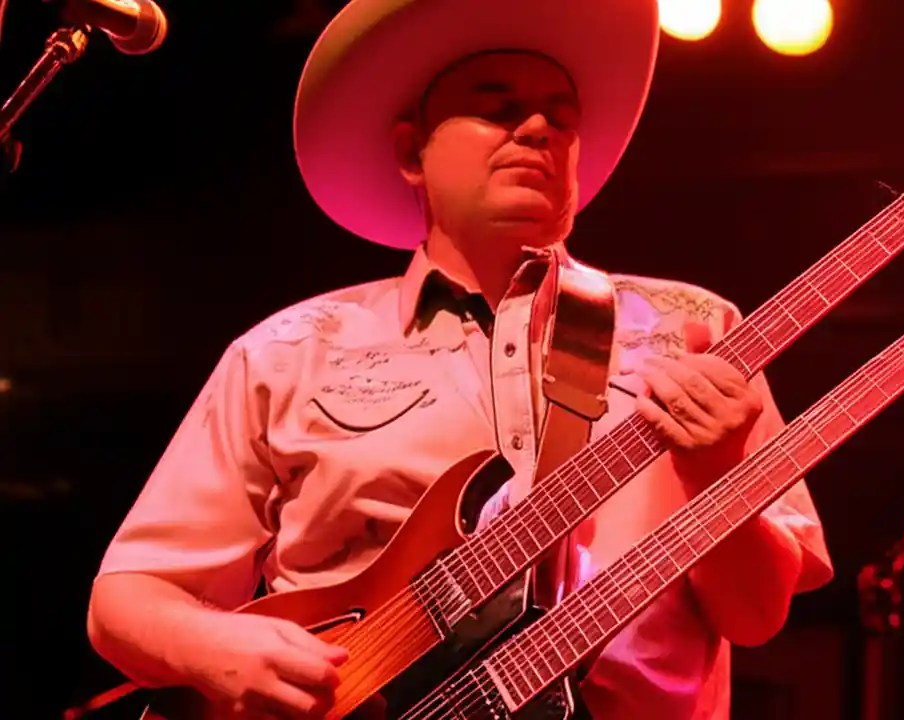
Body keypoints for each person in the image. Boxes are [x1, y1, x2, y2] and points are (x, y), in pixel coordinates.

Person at [85, 0, 833, 718]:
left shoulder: (697, 329)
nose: (539, 127)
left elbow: (756, 615)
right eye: (498, 106)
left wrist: (720, 469)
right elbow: (128, 598)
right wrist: (217, 649)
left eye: (561, 115)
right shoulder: (287, 351)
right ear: (412, 149)